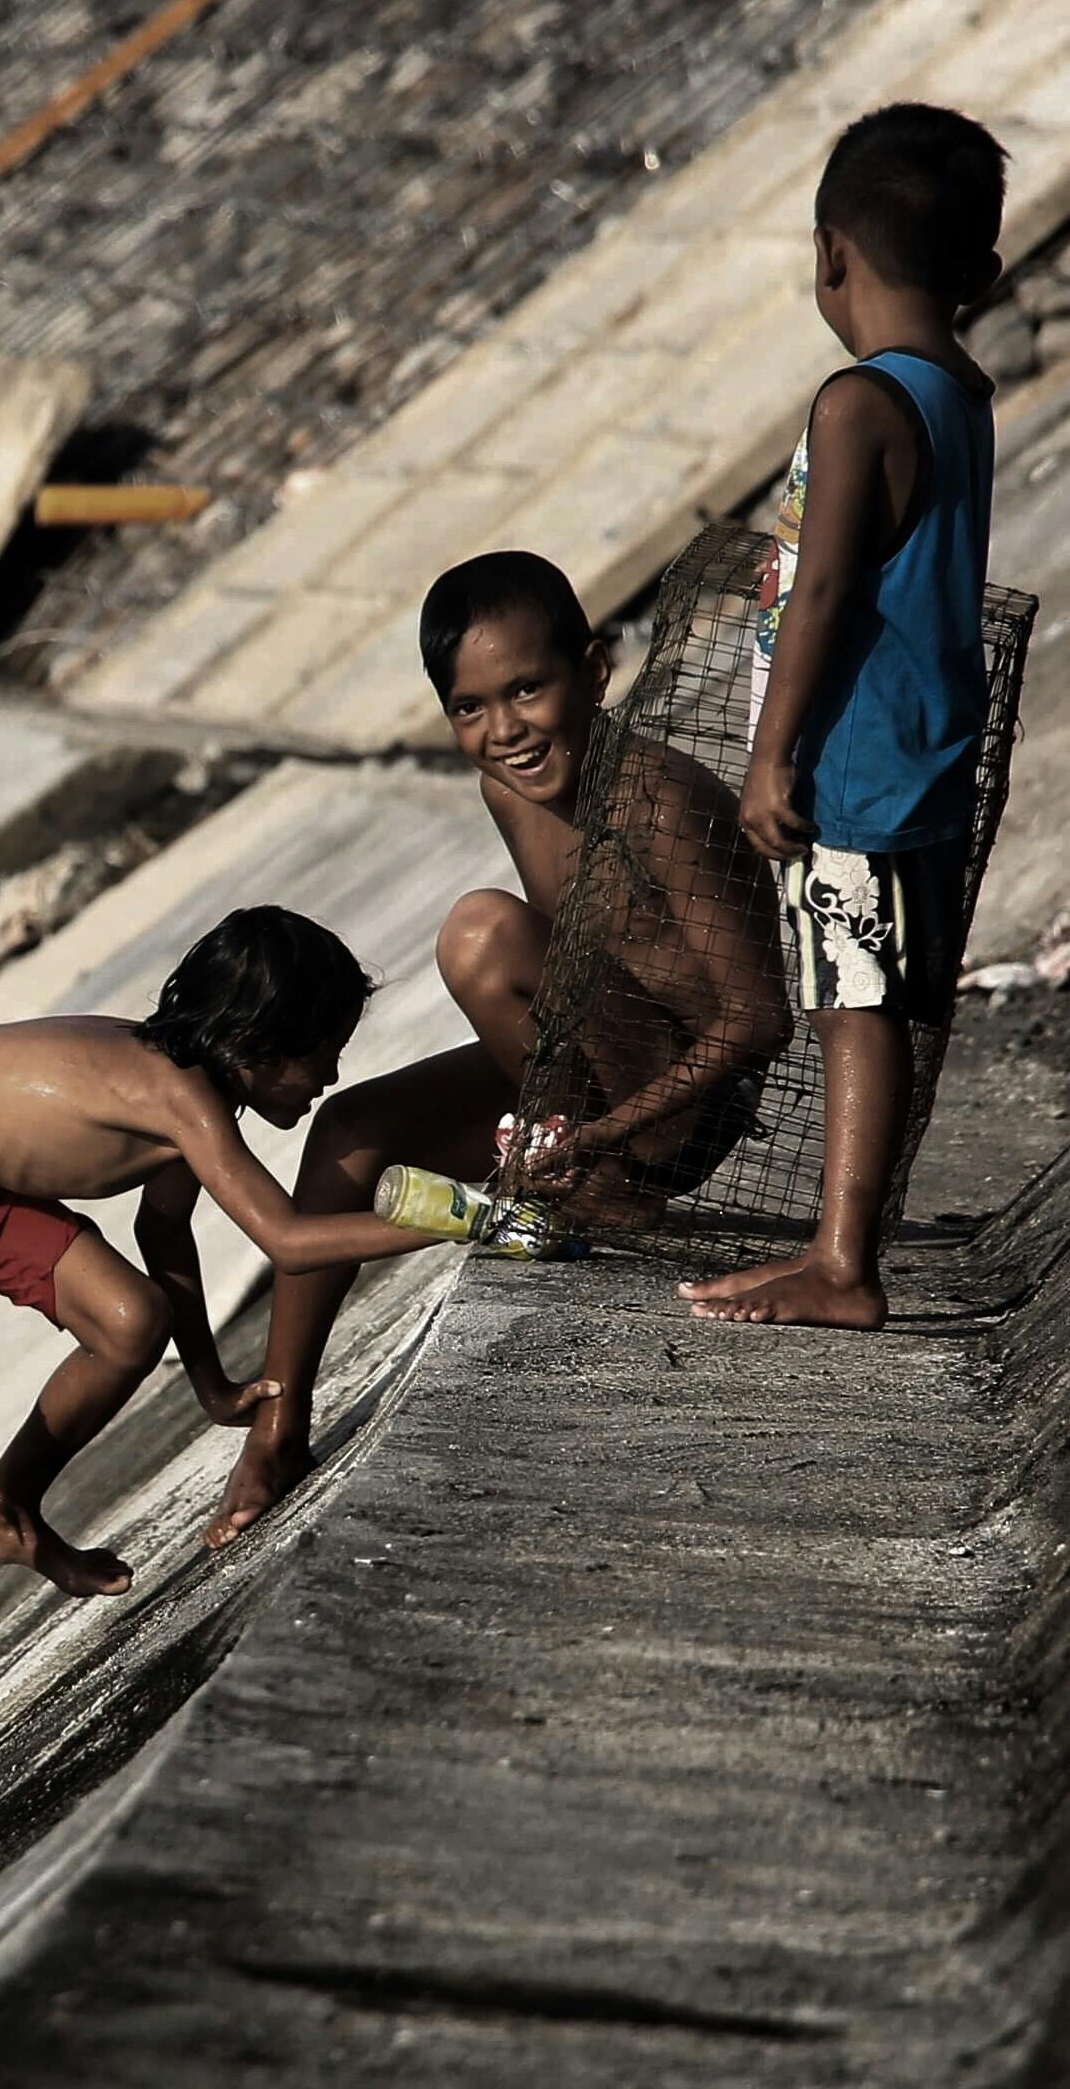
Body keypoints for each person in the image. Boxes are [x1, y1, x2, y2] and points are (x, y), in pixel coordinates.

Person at [0, 906, 453, 1795]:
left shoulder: (196, 1084)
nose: (330, 1076)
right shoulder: (178, 1095)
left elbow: (163, 1228)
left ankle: (5, 1509)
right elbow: (290, 1240)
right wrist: (458, 1220)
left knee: (132, 1320)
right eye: (319, 1054)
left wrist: (209, 1382)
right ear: (254, 1043)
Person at [203, 553, 788, 1548]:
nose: (505, 729)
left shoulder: (654, 801)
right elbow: (567, 968)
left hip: (675, 1113)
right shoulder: (510, 786)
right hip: (595, 1070)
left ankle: (606, 1192)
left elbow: (758, 1018)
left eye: (526, 690)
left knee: (478, 932)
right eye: (470, 708)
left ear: (594, 671)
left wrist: (600, 1135)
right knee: (349, 1130)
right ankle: (277, 1426)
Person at [686, 103, 1006, 1329]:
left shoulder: (856, 404)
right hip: (920, 743)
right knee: (864, 994)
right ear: (980, 273)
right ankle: (838, 1252)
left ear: (829, 254)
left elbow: (821, 590)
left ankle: (841, 1264)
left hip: (853, 764)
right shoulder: (956, 393)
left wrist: (772, 758)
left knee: (851, 1001)